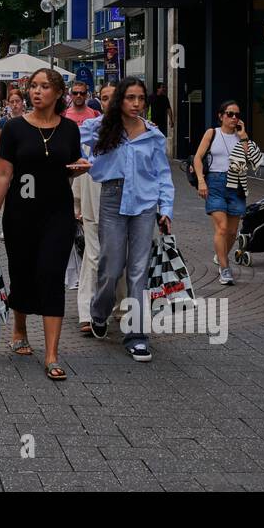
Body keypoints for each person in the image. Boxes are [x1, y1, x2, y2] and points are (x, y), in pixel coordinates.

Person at [0, 68, 89, 380]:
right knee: (23, 273)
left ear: (59, 94)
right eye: (33, 86)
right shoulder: (15, 128)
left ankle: (53, 355)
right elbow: (2, 174)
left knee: (52, 275)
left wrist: (78, 169)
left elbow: (68, 167)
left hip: (57, 214)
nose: (36, 92)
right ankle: (19, 328)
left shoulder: (70, 129)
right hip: (21, 214)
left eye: (44, 87)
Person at [82, 77, 174, 363]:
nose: (136, 104)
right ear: (120, 100)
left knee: (138, 271)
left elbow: (163, 175)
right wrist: (83, 161)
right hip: (112, 198)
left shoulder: (153, 135)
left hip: (145, 205)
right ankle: (99, 312)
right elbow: (75, 136)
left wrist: (166, 209)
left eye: (140, 99)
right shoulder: (103, 127)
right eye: (130, 98)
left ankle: (137, 335)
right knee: (110, 266)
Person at [193, 100, 262, 285]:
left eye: (237, 115)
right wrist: (201, 180)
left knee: (232, 231)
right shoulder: (212, 133)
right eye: (230, 114)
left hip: (237, 183)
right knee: (222, 228)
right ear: (221, 116)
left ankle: (220, 255)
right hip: (214, 183)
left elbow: (253, 161)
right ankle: (225, 268)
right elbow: (198, 158)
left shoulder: (242, 137)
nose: (234, 118)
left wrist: (245, 136)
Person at [73, 80, 117, 335]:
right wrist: (76, 202)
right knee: (93, 256)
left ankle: (121, 307)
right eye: (104, 97)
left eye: (113, 97)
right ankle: (87, 312)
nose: (108, 102)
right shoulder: (91, 130)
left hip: (124, 207)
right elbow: (81, 165)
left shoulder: (137, 131)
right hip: (93, 203)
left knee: (120, 259)